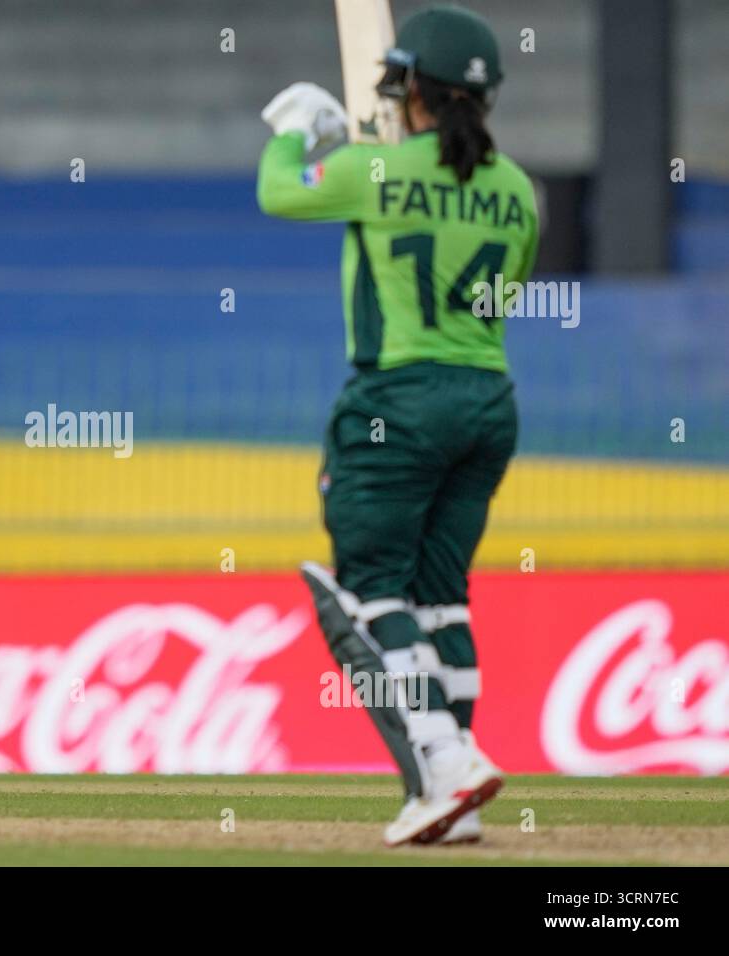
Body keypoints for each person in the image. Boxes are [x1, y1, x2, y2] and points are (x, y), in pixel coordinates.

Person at [256, 5, 537, 845]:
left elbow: (278, 193)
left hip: (395, 403)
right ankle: (451, 794)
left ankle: (446, 761)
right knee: (443, 597)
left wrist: (297, 129)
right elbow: (501, 301)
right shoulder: (520, 191)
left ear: (411, 88)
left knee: (375, 587)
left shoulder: (372, 169)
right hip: (488, 402)